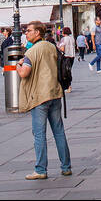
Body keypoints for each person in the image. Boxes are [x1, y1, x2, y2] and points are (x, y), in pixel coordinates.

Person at [17, 21, 71, 180]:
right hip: (54, 93)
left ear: (37, 33)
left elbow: (24, 73)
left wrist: (18, 66)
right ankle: (66, 166)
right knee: (59, 131)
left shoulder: (31, 52)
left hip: (39, 97)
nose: (26, 33)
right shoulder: (51, 46)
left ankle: (41, 169)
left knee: (39, 134)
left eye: (29, 31)